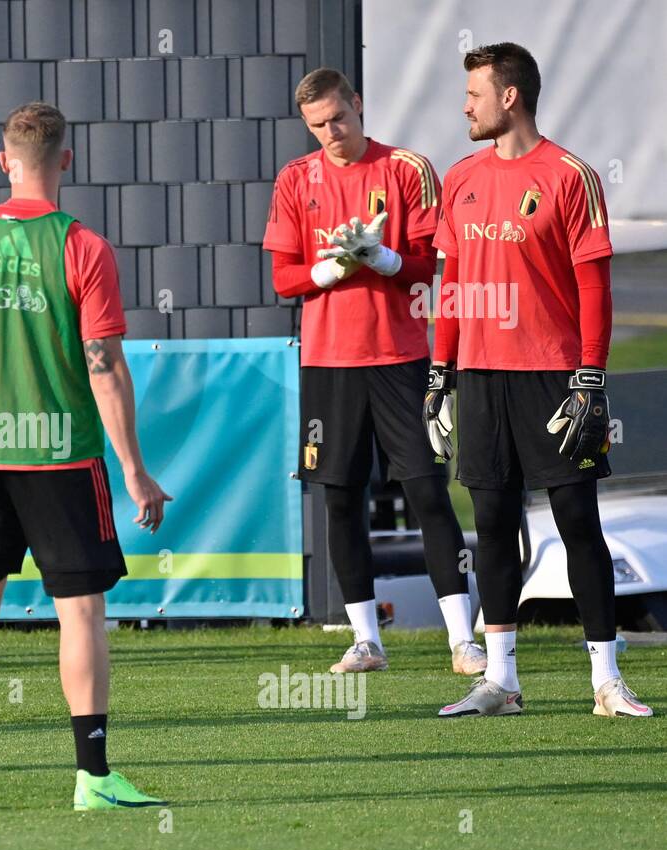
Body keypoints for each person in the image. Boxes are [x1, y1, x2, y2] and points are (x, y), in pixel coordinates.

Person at [0, 102, 171, 811]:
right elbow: (105, 367)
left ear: (3, 162)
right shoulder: (82, 245)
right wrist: (134, 467)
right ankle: (92, 776)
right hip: (60, 457)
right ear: (67, 159)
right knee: (81, 614)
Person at [429, 43, 651, 718]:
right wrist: (441, 372)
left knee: (577, 521)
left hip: (554, 378)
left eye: (474, 93)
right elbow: (454, 286)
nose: (464, 106)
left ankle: (607, 682)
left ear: (510, 97)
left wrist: (590, 378)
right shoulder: (460, 177)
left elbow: (594, 287)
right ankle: (500, 681)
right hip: (482, 377)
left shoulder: (569, 176)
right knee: (491, 523)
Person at [263, 67, 484, 676]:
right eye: (317, 126)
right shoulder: (294, 180)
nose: (330, 133)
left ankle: (463, 639)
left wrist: (382, 258)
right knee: (338, 498)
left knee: (426, 491)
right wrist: (330, 271)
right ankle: (366, 641)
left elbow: (429, 266)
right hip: (328, 361)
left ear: (357, 105)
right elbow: (284, 278)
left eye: (338, 118)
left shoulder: (406, 169)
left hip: (400, 357)